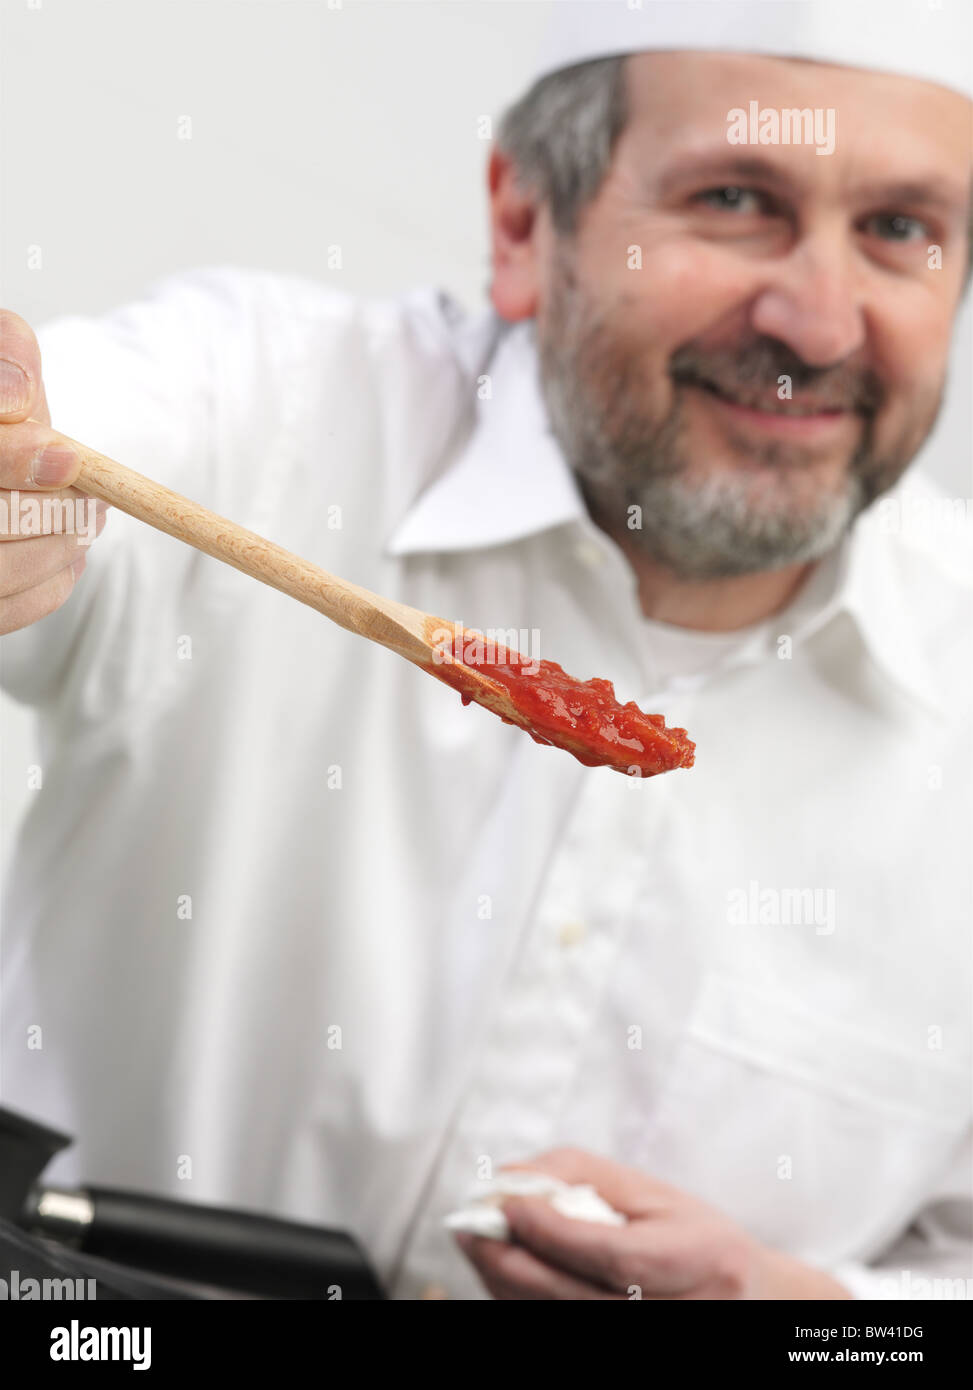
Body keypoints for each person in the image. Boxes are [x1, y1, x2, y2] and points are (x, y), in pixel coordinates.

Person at [0, 0, 970, 1300]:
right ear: (523, 223)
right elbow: (65, 436)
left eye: (900, 230)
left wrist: (806, 1312)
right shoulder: (266, 408)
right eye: (735, 198)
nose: (816, 323)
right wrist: (23, 492)